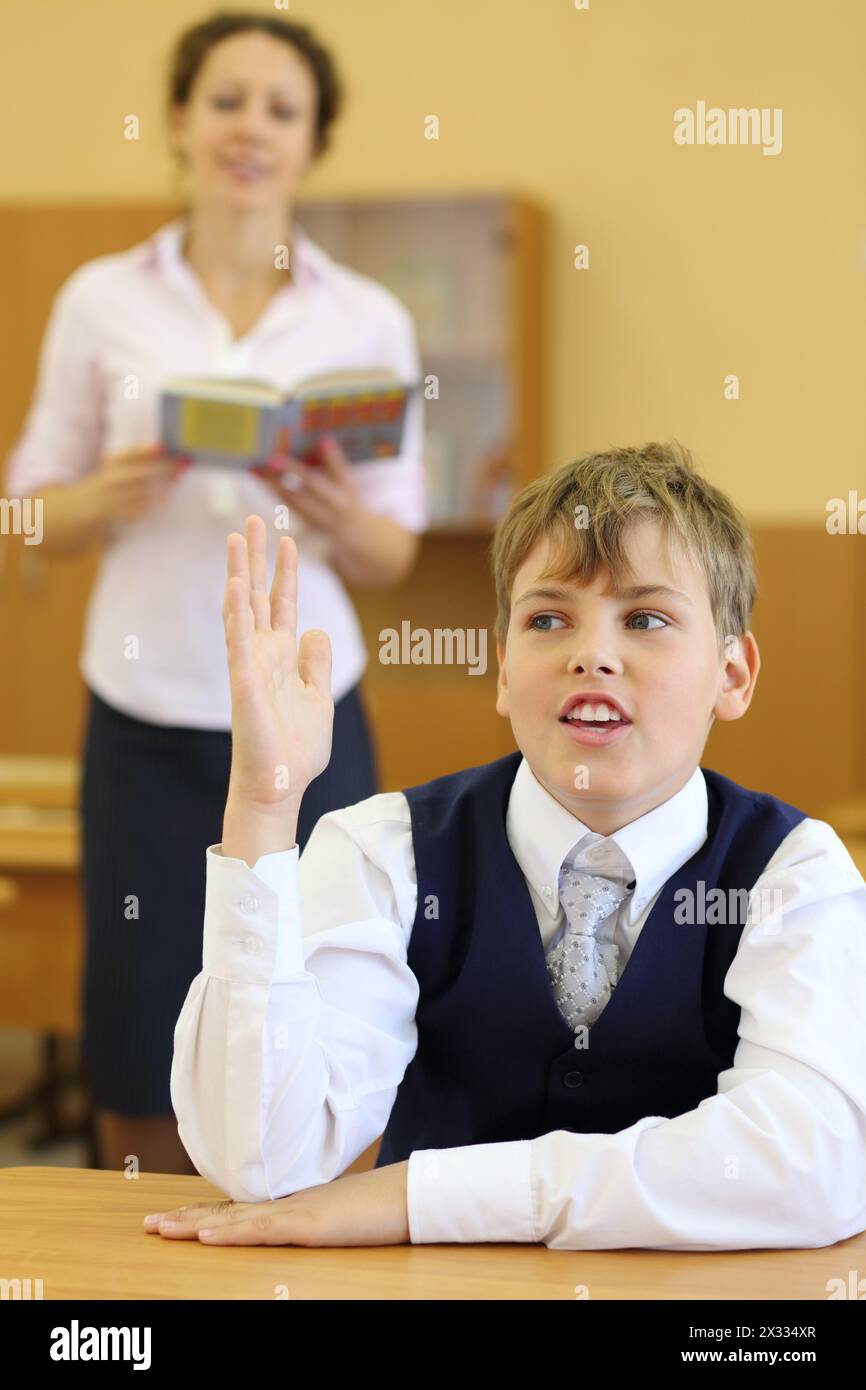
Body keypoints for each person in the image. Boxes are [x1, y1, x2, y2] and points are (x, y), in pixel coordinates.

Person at [150, 441, 866, 1250]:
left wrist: (424, 1198)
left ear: (732, 675)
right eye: (548, 619)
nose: (590, 653)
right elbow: (259, 1161)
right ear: (501, 668)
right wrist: (263, 807)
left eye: (645, 619)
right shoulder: (386, 851)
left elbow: (812, 1167)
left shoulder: (793, 875)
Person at [3, 12, 426, 1176]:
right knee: (140, 1016)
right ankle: (135, 1266)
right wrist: (113, 490)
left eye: (280, 110)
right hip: (144, 708)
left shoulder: (365, 317)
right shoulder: (101, 298)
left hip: (310, 712)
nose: (250, 129)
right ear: (181, 120)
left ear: (312, 142)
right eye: (227, 100)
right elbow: (25, 510)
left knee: (330, 987)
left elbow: (394, 551)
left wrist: (339, 514)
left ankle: (309, 1242)